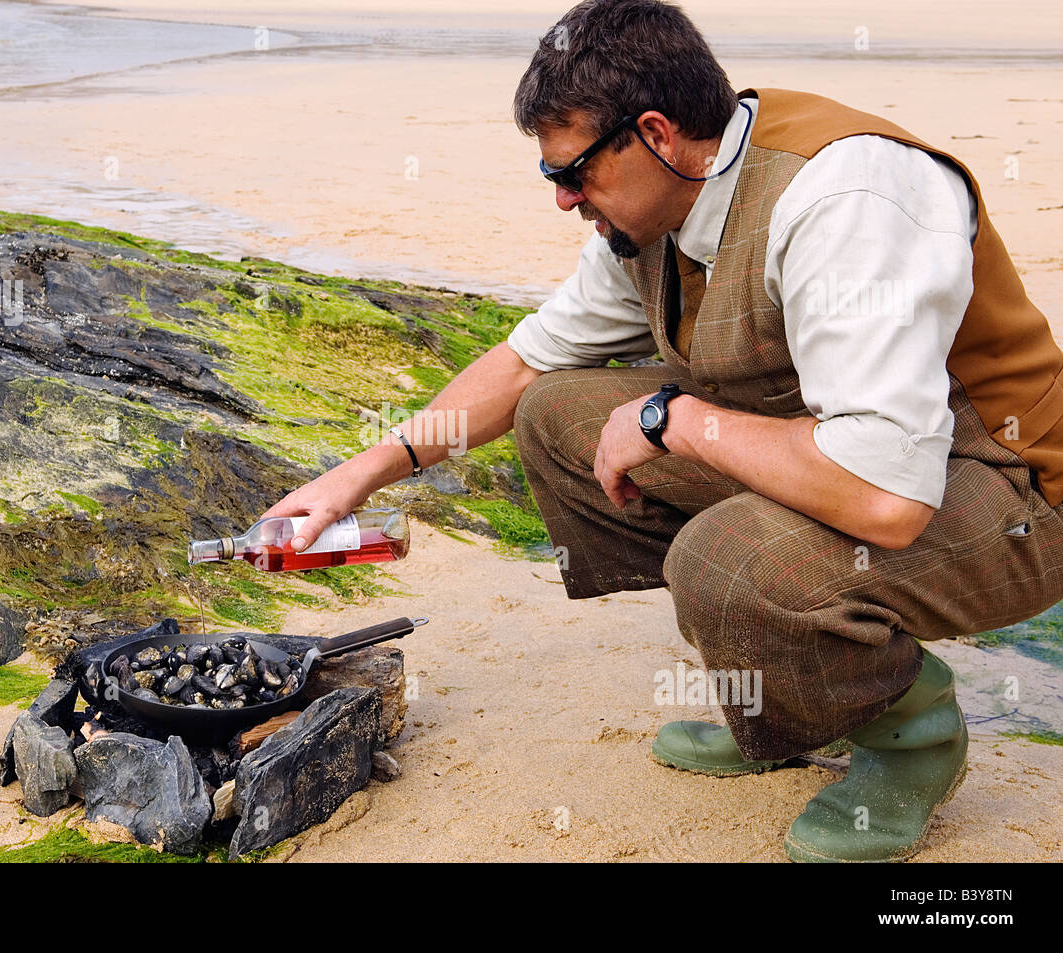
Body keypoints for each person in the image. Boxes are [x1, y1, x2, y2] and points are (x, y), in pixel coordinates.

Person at [260, 0, 1063, 862]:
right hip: (857, 447)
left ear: (655, 134)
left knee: (726, 561)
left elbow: (885, 494)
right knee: (556, 417)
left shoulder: (847, 199)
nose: (564, 200)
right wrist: (354, 478)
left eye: (570, 174)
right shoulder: (656, 211)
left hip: (1004, 484)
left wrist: (676, 419)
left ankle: (910, 732)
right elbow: (527, 364)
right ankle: (785, 694)